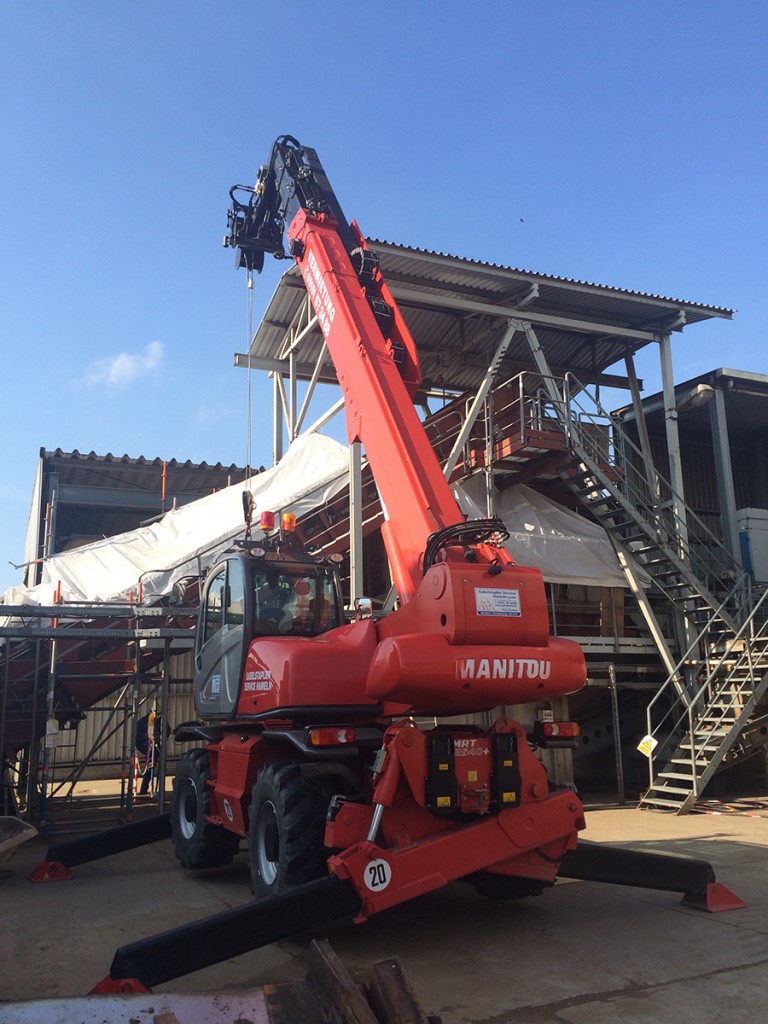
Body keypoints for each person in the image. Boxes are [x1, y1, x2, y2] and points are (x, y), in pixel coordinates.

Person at [134, 709, 170, 797]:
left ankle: (156, 789)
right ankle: (144, 790)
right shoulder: (147, 721)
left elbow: (167, 731)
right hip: (148, 746)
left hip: (155, 746)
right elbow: (139, 737)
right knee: (151, 766)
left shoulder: (160, 721)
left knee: (158, 767)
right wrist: (149, 738)